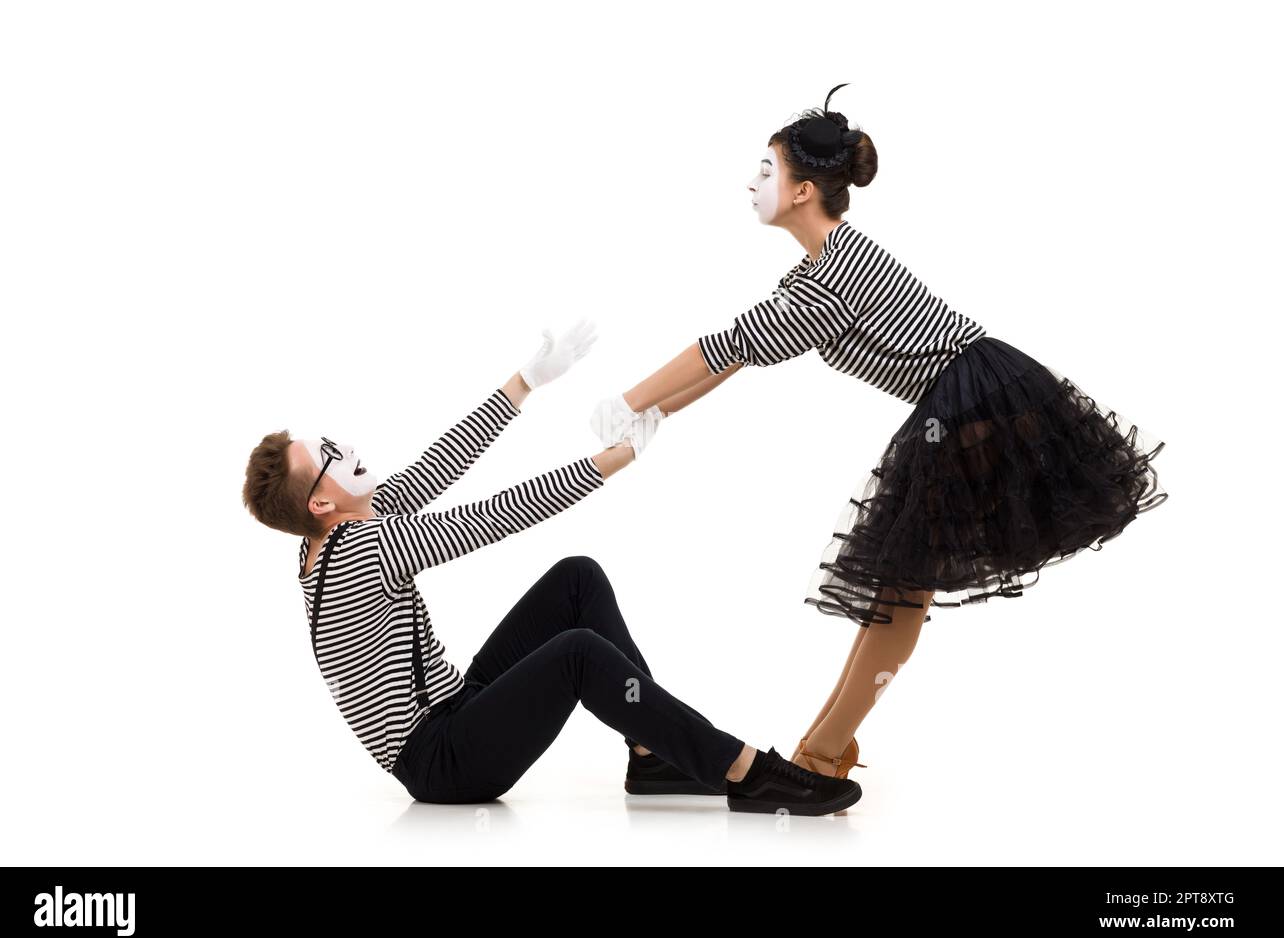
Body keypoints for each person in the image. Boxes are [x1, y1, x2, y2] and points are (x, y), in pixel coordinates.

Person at [591, 83, 1169, 780]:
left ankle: (823, 754)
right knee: (900, 587)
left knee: (900, 586)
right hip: (971, 398)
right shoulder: (817, 270)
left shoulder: (832, 275)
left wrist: (629, 399)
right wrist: (657, 413)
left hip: (974, 409)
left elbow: (726, 344)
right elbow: (740, 352)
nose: (753, 182)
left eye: (768, 171)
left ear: (804, 192)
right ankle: (826, 748)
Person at [241, 319, 863, 815]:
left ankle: (651, 753)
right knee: (577, 653)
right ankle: (742, 770)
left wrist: (526, 380)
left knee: (576, 580)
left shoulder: (330, 537)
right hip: (445, 763)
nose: (344, 448)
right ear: (321, 502)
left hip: (458, 709)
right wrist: (616, 457)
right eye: (327, 455)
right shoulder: (362, 550)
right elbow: (500, 514)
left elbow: (439, 466)